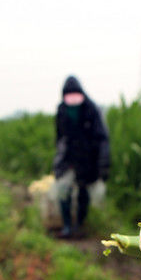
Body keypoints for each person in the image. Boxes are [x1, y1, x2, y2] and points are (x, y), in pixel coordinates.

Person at [52, 75, 110, 238]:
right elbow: (59, 137)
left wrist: (103, 164)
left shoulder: (91, 110)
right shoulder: (62, 110)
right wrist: (60, 159)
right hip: (68, 159)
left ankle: (79, 224)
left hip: (87, 159)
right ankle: (67, 226)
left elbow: (102, 139)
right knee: (63, 189)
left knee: (83, 192)